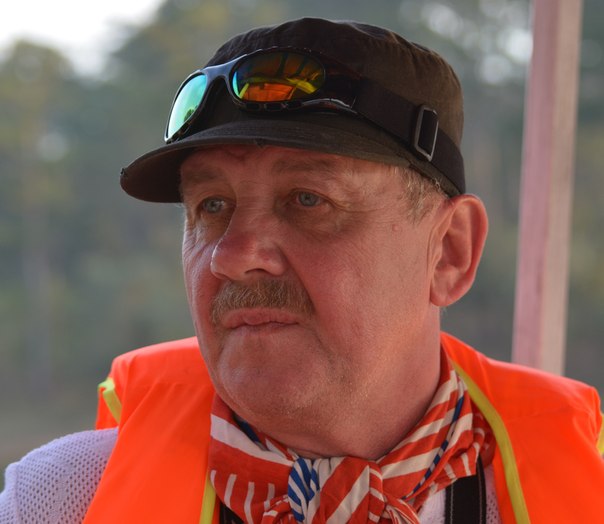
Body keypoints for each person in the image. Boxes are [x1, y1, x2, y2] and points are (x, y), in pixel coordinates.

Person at [1, 17, 603, 524]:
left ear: (449, 252)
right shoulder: (58, 503)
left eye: (308, 200)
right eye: (212, 206)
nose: (234, 255)